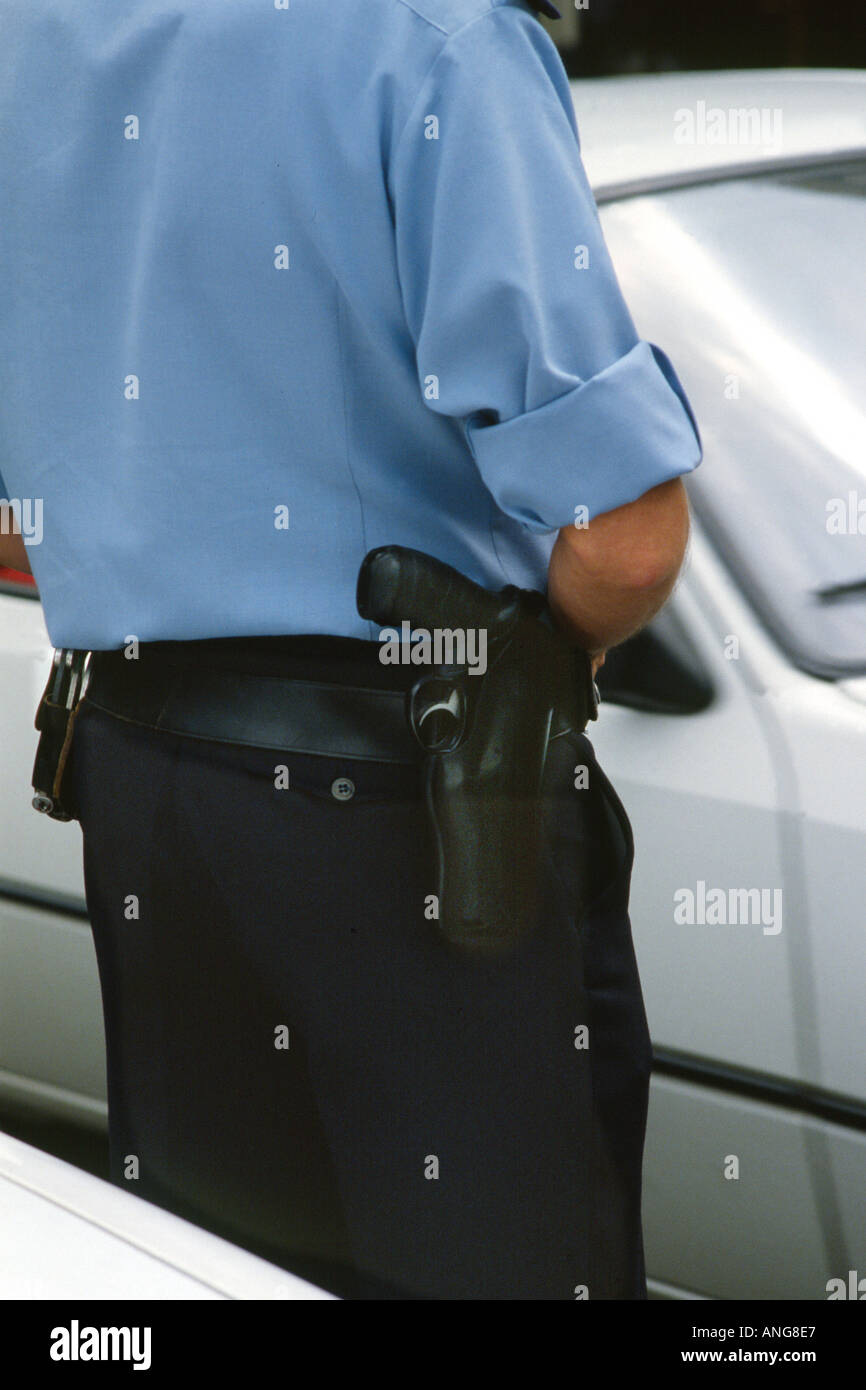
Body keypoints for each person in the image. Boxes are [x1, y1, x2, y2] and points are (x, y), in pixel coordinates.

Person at [0, 0, 701, 1299]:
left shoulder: (38, 33)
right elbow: (627, 542)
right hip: (417, 801)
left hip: (144, 786)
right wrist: (569, 634)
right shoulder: (437, 35)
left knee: (215, 1277)